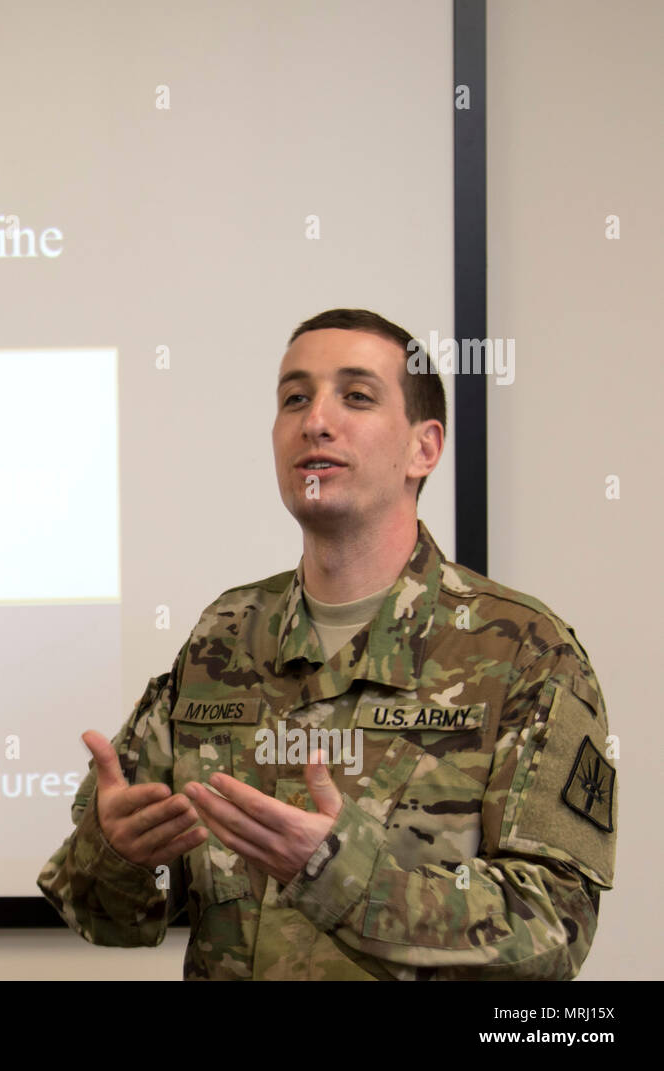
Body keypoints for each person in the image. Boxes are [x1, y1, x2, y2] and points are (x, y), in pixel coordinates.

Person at [37, 308, 617, 980]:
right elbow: (106, 913)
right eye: (294, 397)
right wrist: (115, 853)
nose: (316, 419)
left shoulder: (525, 650)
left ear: (423, 448)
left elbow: (555, 929)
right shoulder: (222, 637)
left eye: (357, 396)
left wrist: (342, 874)